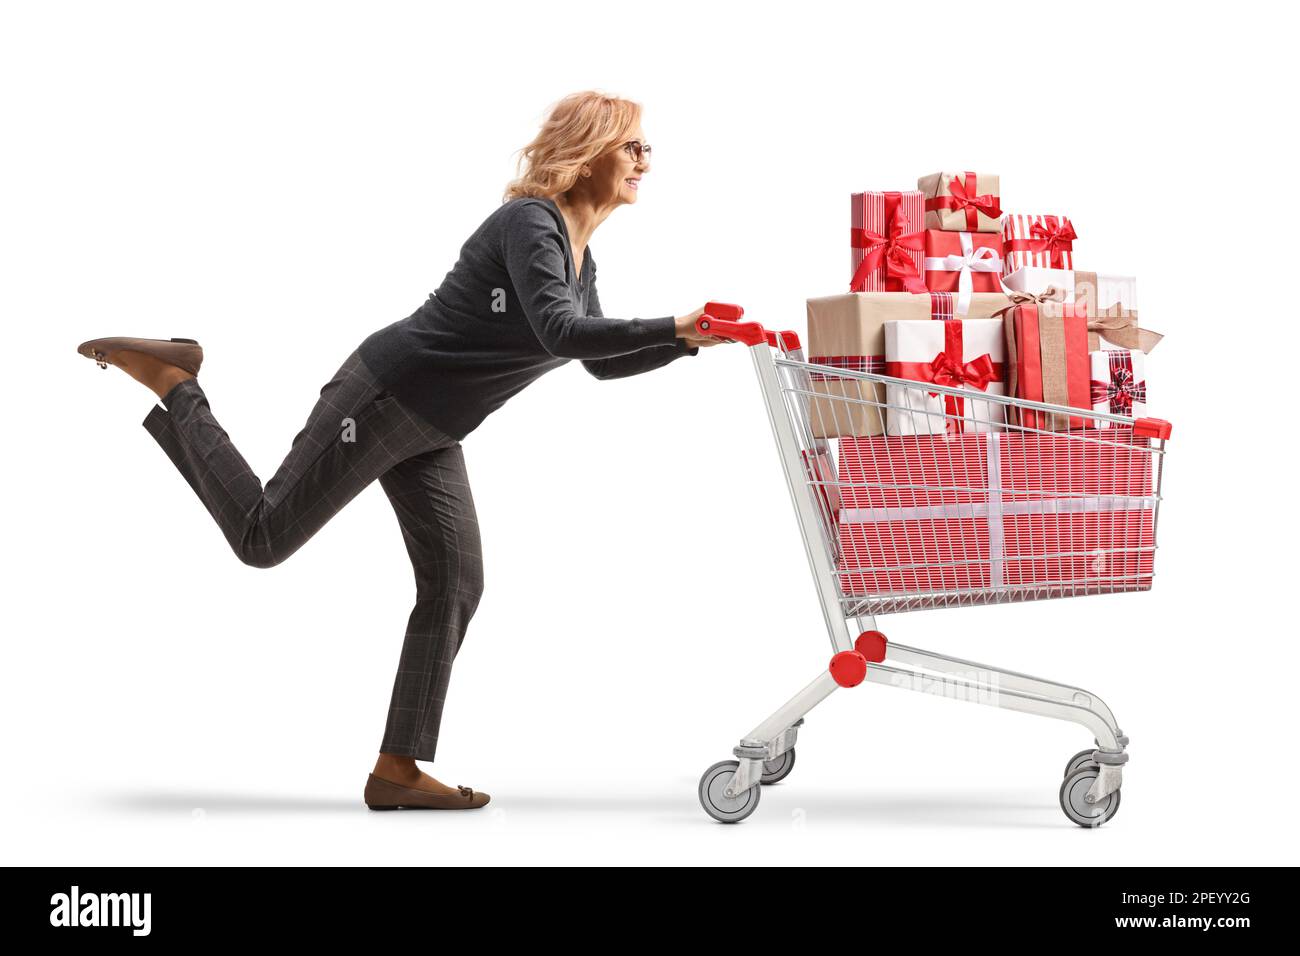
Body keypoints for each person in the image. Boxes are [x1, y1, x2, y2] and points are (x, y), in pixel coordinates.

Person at [75, 90, 734, 811]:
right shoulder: (530, 223)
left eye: (648, 147)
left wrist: (685, 342)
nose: (645, 159)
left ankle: (397, 767)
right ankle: (177, 383)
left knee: (456, 583)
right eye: (631, 144)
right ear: (585, 155)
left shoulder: (580, 257)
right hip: (387, 397)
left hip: (437, 426)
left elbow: (599, 361)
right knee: (263, 538)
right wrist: (674, 322)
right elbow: (559, 333)